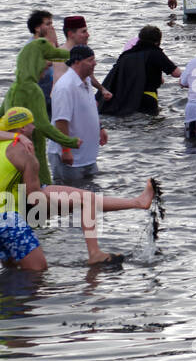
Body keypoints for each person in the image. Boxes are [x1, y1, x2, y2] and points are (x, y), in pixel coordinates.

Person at [0, 107, 157, 269]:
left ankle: (137, 202)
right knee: (37, 273)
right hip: (10, 218)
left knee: (13, 271)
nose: (34, 127)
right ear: (22, 128)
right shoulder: (24, 153)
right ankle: (94, 254)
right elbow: (34, 196)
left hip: (10, 209)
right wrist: (63, 205)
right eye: (31, 124)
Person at [3, 24, 80, 185]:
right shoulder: (33, 90)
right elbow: (43, 126)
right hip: (33, 149)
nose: (49, 64)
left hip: (11, 151)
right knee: (42, 190)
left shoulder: (13, 88)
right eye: (45, 60)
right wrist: (69, 142)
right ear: (35, 62)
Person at [47, 45, 106, 187]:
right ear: (77, 62)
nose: (95, 63)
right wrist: (66, 149)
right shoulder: (65, 86)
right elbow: (61, 121)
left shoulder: (86, 81)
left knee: (91, 200)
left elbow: (89, 108)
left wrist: (100, 128)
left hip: (87, 156)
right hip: (70, 159)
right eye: (90, 60)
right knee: (70, 202)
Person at [100, 26, 182, 117]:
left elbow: (112, 79)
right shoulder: (155, 52)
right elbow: (176, 73)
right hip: (148, 100)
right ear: (158, 41)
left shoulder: (125, 55)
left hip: (126, 101)